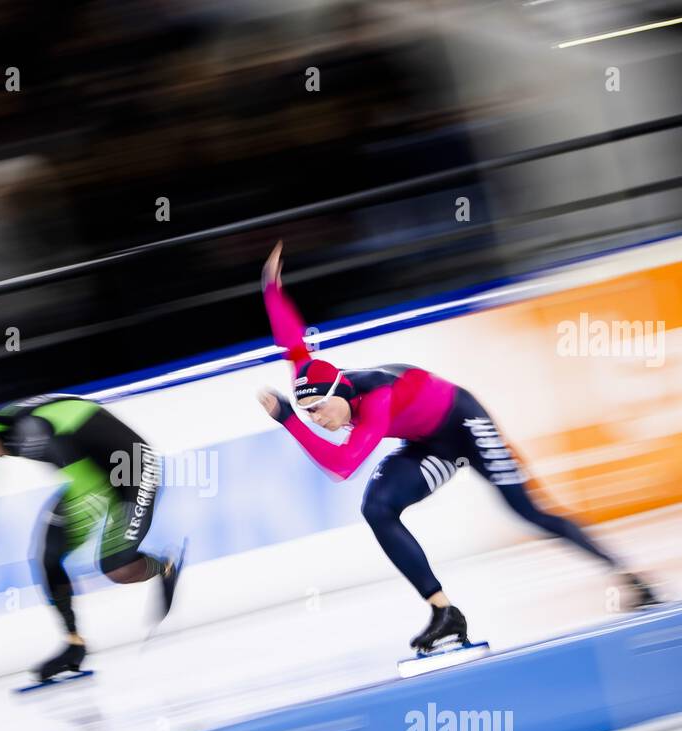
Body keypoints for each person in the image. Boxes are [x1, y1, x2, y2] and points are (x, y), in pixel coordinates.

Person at [255, 242, 657, 654]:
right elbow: (292, 341)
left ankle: (631, 576)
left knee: (527, 510)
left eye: (319, 409)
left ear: (340, 390)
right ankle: (444, 612)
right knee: (376, 508)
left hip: (464, 424)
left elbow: (341, 466)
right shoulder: (312, 377)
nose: (316, 419)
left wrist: (287, 419)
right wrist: (271, 288)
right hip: (429, 442)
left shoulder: (377, 399)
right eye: (307, 413)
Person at [0, 393, 184, 680]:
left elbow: (87, 486)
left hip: (132, 469)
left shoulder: (30, 433)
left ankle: (165, 566)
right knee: (46, 556)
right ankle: (74, 645)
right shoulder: (4, 429)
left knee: (115, 567)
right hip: (93, 469)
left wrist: (76, 528)